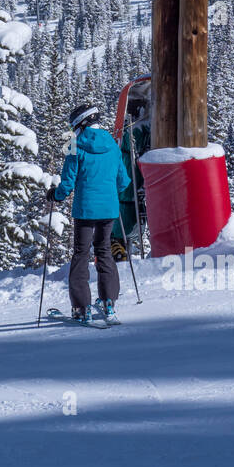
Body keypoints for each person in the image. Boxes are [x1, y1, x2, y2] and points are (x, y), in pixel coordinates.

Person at [50, 103, 130, 325]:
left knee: (81, 255)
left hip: (85, 210)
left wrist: (56, 195)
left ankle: (81, 308)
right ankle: (108, 303)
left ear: (80, 123)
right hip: (109, 209)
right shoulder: (113, 145)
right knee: (104, 251)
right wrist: (108, 193)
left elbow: (67, 182)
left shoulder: (74, 145)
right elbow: (123, 181)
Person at [112, 87, 152, 260]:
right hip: (136, 185)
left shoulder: (130, 133)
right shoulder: (145, 130)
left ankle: (118, 251)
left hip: (127, 186)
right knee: (127, 222)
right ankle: (119, 250)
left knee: (122, 225)